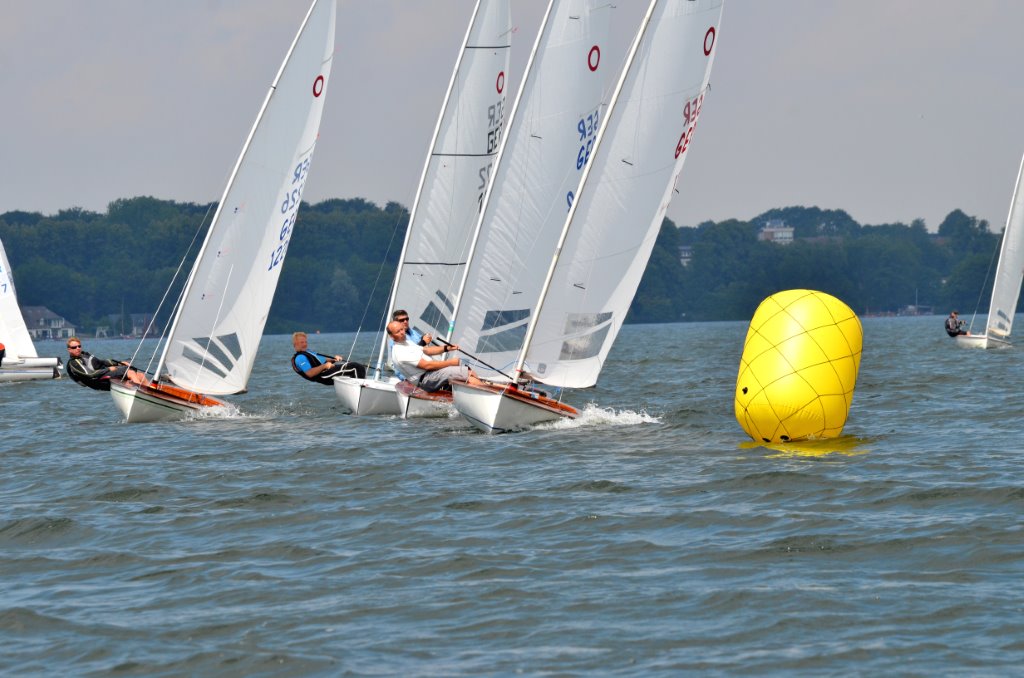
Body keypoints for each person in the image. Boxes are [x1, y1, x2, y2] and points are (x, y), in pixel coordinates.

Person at [386, 320, 482, 392]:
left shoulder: (406, 341)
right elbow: (427, 365)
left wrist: (446, 348)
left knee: (467, 368)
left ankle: (477, 389)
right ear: (392, 336)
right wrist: (450, 362)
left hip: (431, 374)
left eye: (402, 329)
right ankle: (487, 397)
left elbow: (426, 350)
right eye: (398, 331)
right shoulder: (400, 351)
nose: (402, 332)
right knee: (467, 373)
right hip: (426, 379)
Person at [65, 337, 147, 391]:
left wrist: (119, 363)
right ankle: (142, 393)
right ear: (69, 350)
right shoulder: (74, 363)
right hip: (98, 381)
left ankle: (153, 393)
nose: (78, 348)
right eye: (74, 347)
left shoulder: (84, 355)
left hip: (103, 375)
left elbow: (102, 362)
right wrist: (109, 369)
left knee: (140, 375)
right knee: (130, 372)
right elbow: (90, 374)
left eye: (79, 346)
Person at [290, 331, 367, 385]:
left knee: (359, 368)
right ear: (295, 344)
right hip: (324, 375)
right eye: (302, 342)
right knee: (356, 367)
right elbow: (310, 373)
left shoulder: (308, 352)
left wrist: (334, 359)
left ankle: (361, 390)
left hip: (327, 371)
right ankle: (361, 393)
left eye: (305, 342)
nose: (305, 344)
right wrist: (325, 366)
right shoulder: (300, 358)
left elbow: (323, 360)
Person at [388, 310, 431, 380]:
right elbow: (411, 353)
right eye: (402, 320)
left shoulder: (413, 332)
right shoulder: (394, 340)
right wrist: (423, 342)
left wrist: (426, 337)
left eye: (407, 319)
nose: (405, 321)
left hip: (422, 370)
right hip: (409, 377)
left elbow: (421, 342)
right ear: (396, 322)